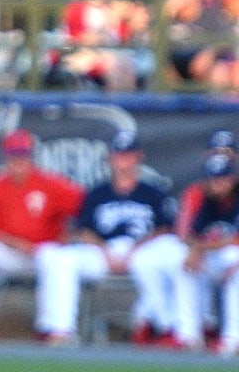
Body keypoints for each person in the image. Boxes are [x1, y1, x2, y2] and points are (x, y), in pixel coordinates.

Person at [35, 130, 180, 346]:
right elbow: (84, 231)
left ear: (138, 156)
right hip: (105, 251)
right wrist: (105, 252)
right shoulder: (97, 194)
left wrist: (135, 250)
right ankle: (62, 330)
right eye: (119, 155)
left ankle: (166, 327)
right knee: (63, 259)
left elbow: (164, 229)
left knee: (171, 254)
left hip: (143, 251)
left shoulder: (153, 193)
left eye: (128, 155)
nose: (123, 161)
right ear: (110, 158)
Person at [0, 128, 84, 341]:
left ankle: (49, 326)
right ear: (6, 158)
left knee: (57, 257)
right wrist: (18, 244)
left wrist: (72, 235)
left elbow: (86, 207)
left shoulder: (50, 183)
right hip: (10, 252)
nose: (19, 161)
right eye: (14, 155)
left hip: (43, 250)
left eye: (23, 155)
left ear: (31, 156)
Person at [171, 152, 239, 355]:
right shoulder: (204, 197)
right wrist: (194, 250)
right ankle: (189, 336)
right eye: (213, 179)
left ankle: (233, 339)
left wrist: (201, 248)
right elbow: (189, 234)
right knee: (185, 264)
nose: (218, 184)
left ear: (232, 178)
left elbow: (232, 240)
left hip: (233, 259)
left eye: (222, 179)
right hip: (215, 256)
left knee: (234, 265)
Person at [50, 0, 150, 91]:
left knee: (136, 63)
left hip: (111, 56)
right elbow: (78, 42)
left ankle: (131, 102)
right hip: (79, 57)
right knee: (114, 64)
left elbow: (125, 40)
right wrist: (111, 21)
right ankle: (115, 102)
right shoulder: (78, 9)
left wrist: (135, 24)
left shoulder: (115, 7)